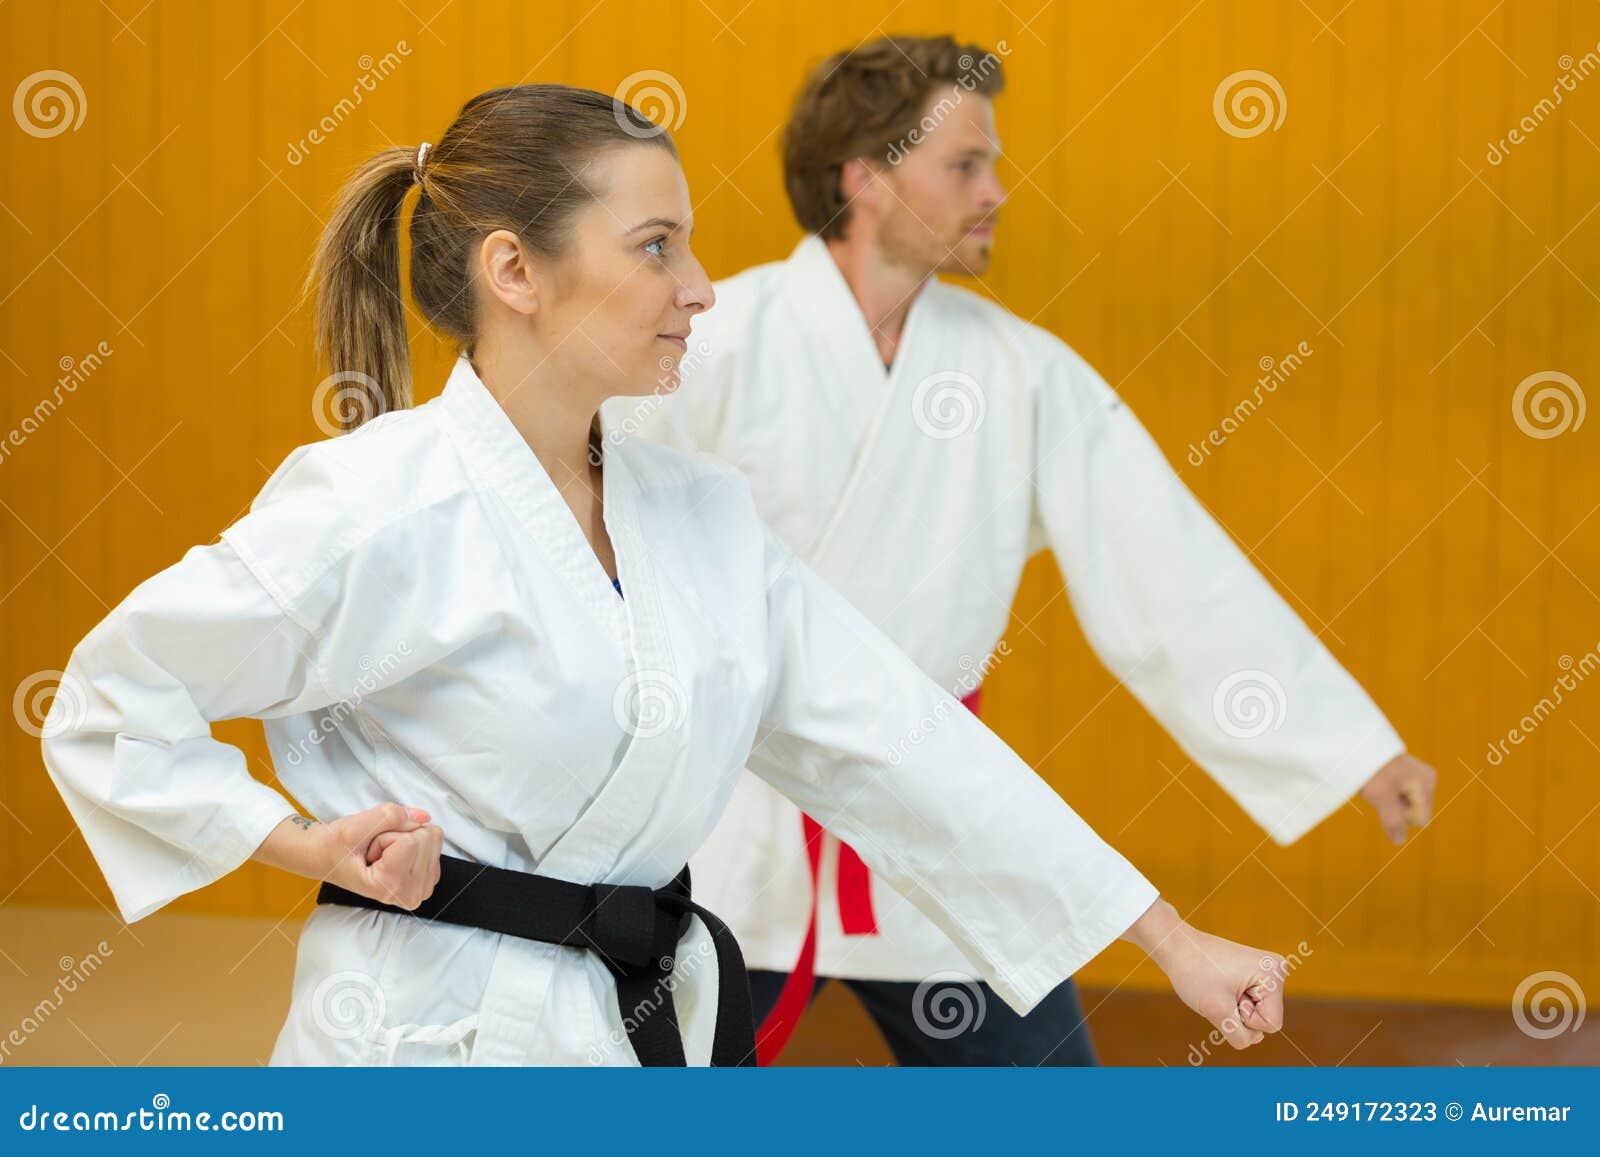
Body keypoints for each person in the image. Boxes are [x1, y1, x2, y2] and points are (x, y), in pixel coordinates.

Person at [38, 83, 1287, 1067]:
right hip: (422, 1051)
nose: (698, 288)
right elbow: (107, 700)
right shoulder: (377, 501)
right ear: (514, 271)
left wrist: (1166, 937)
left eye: (688, 247)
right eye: (654, 248)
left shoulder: (700, 516)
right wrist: (296, 838)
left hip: (634, 1034)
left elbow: (903, 744)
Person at [612, 36, 1437, 1066]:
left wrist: (1346, 745)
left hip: (935, 810)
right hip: (728, 821)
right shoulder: (714, 339)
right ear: (864, 178)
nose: (996, 190)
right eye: (964, 165)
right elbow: (589, 539)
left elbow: (1166, 569)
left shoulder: (1019, 374)